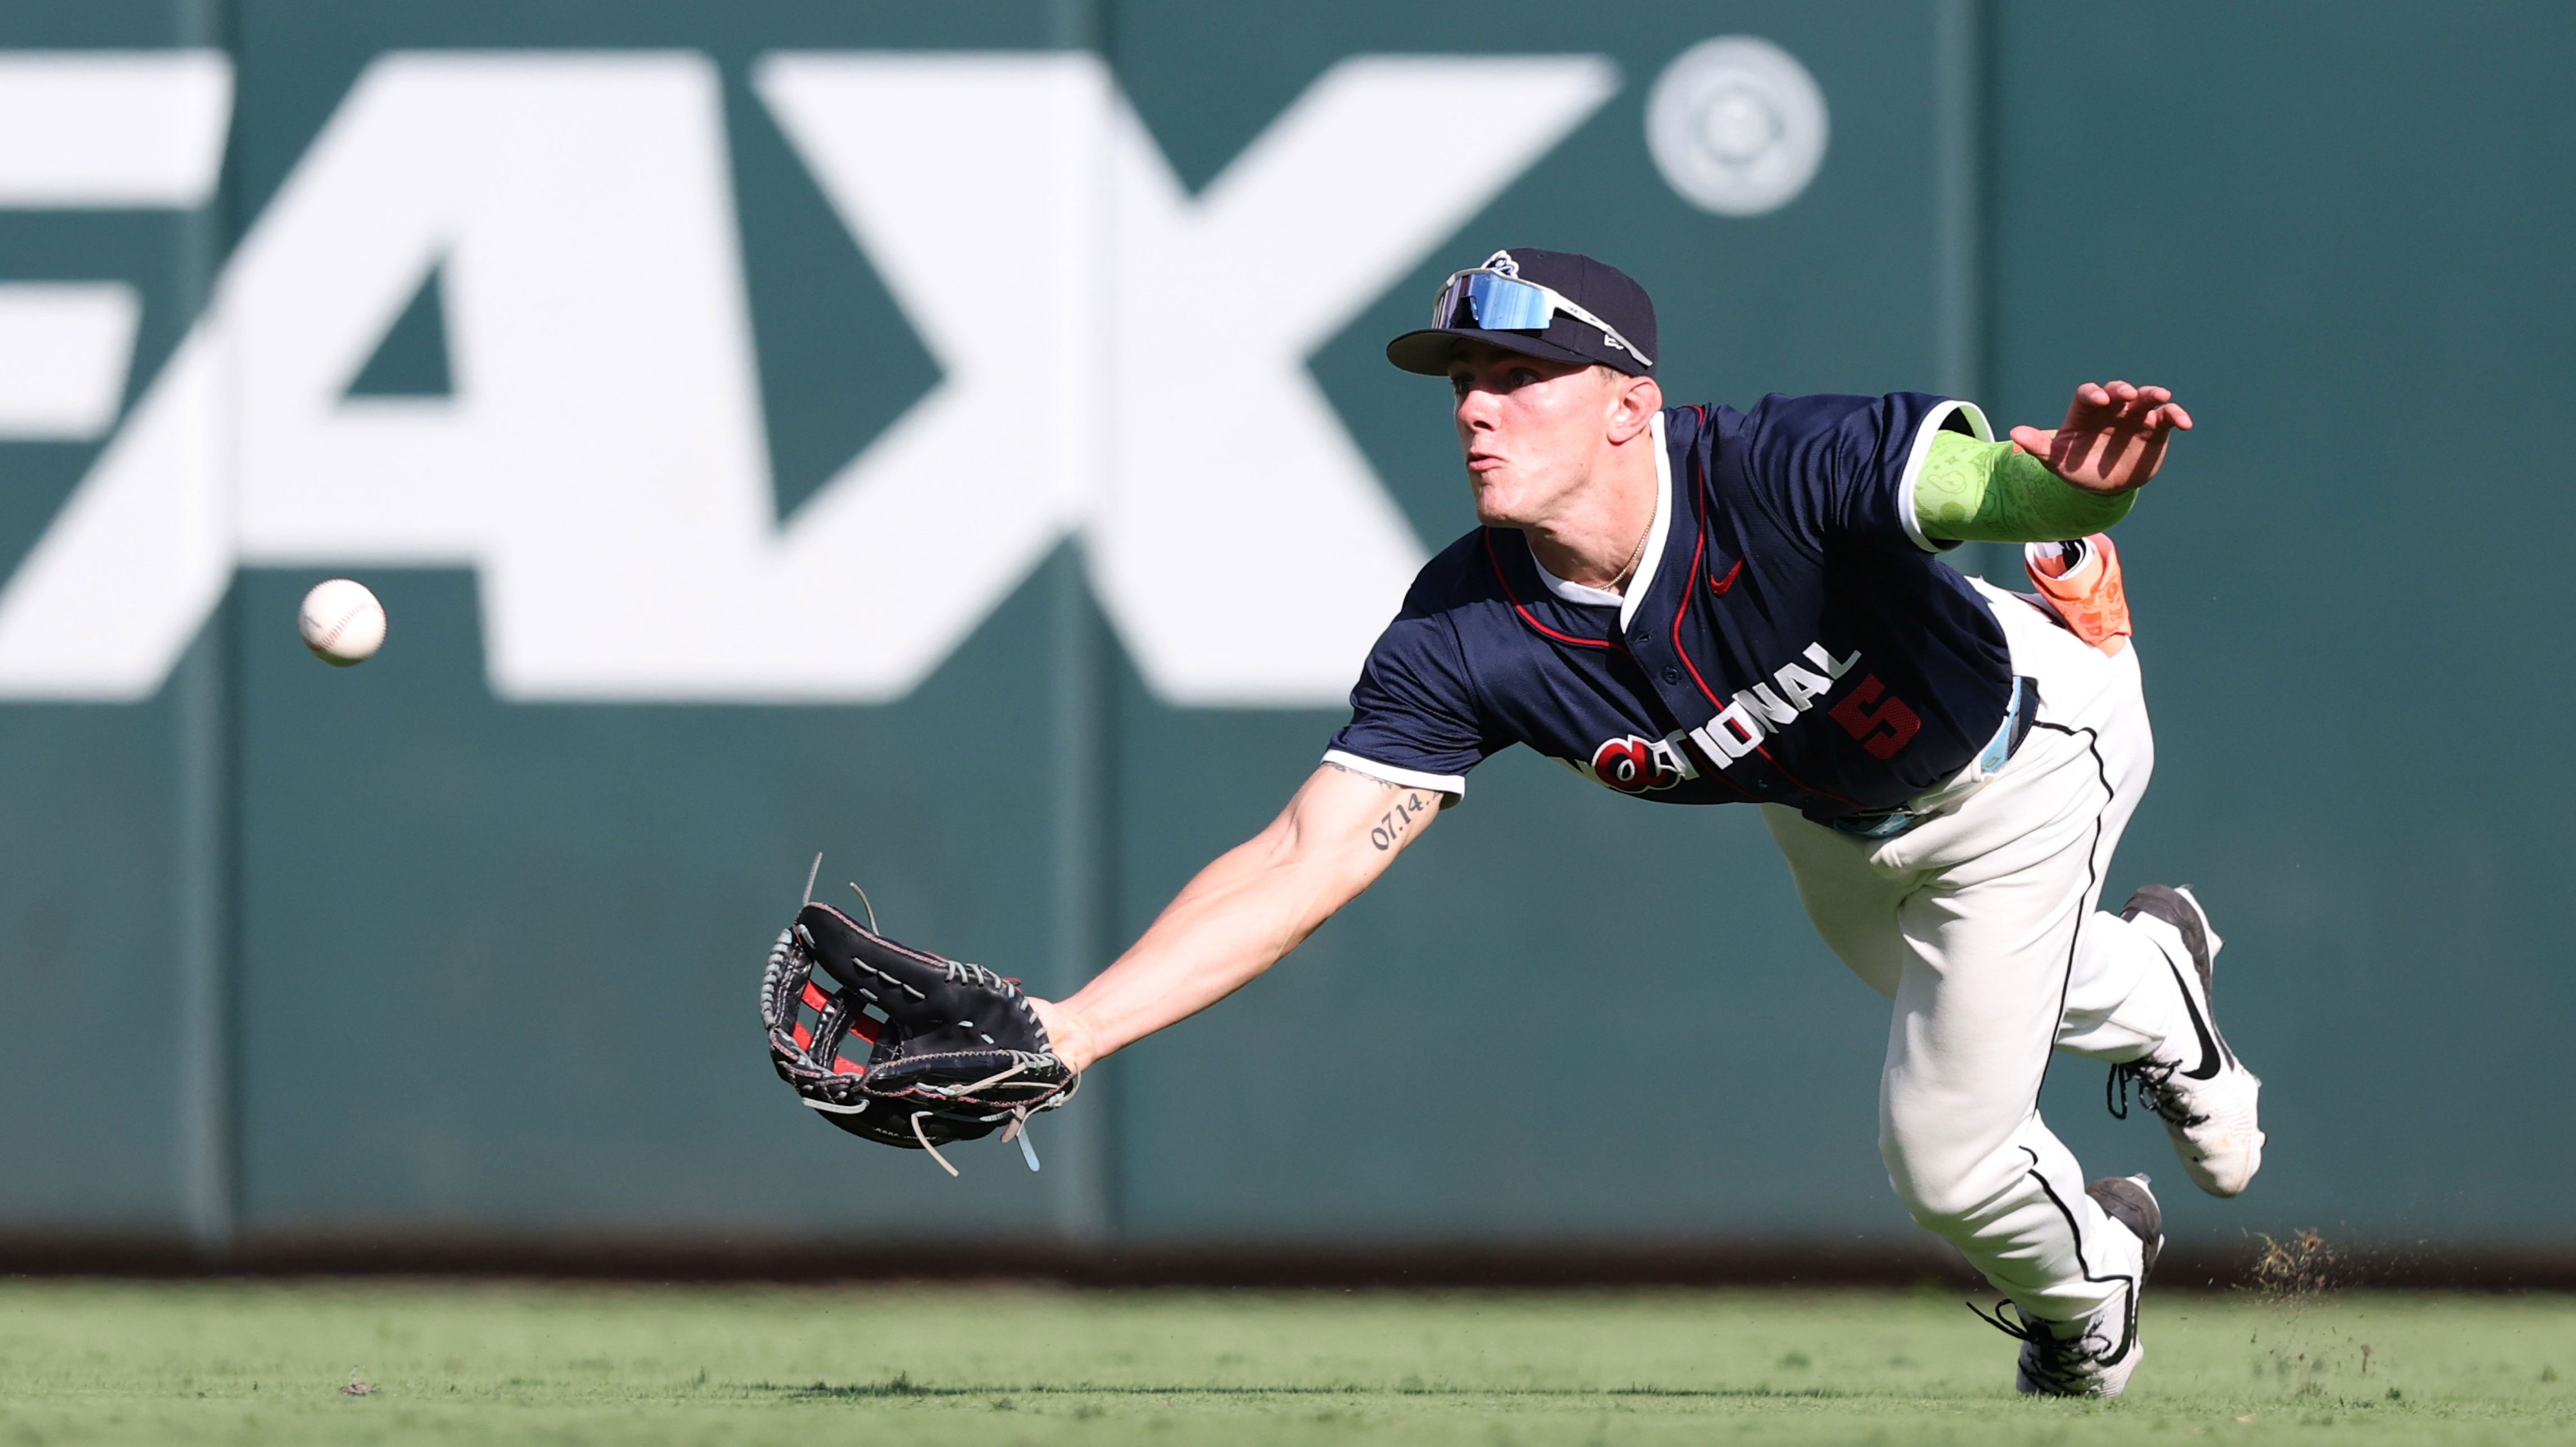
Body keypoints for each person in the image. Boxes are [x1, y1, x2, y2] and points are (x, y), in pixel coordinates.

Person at [1026, 248, 2262, 1398]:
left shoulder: (1764, 468)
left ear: (1629, 404)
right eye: (1463, 382)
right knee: (1976, 989)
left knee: (1945, 1156)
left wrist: (2058, 491)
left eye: (1519, 377)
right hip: (1829, 820)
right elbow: (1302, 856)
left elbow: (1977, 483)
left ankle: (2091, 1292)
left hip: (2025, 757)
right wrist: (1073, 1032)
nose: (1475, 410)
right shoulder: (1463, 629)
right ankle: (2155, 981)